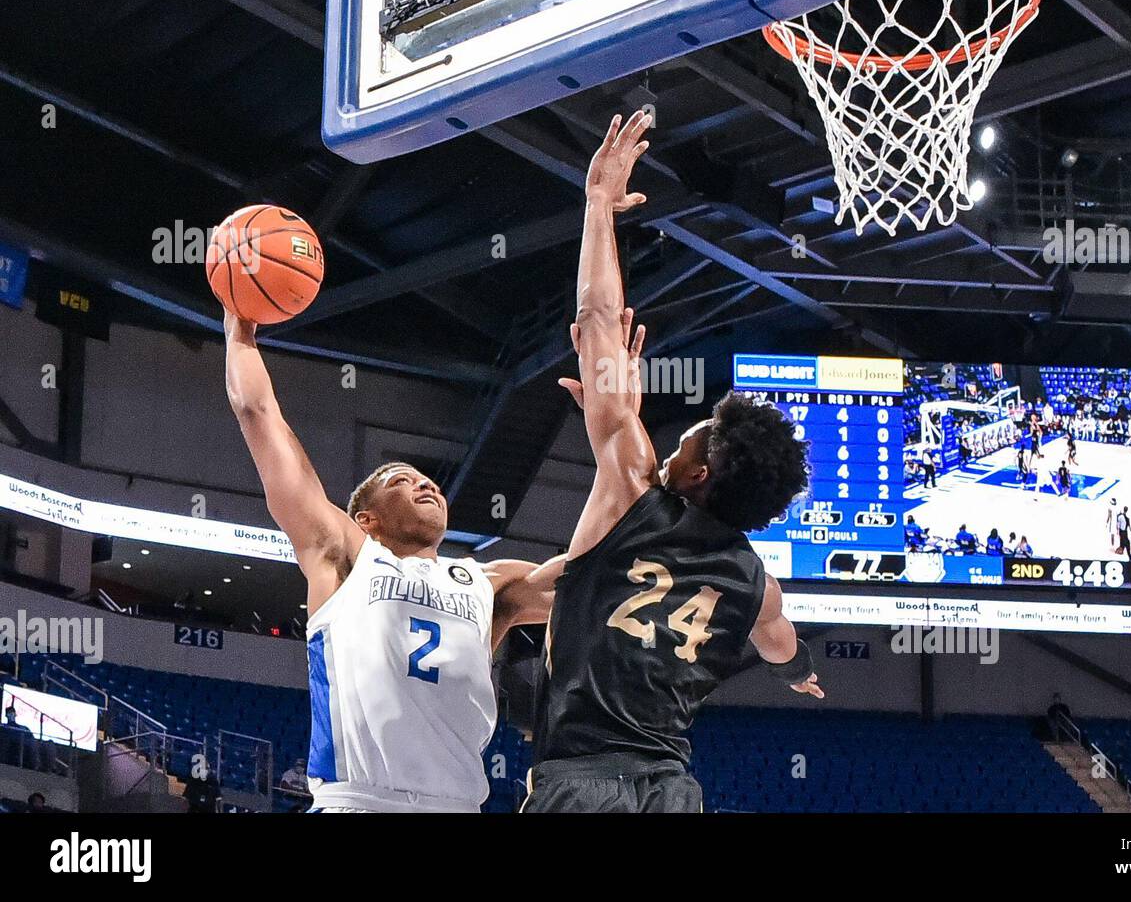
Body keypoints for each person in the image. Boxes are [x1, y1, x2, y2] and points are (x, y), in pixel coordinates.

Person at [524, 113, 823, 814]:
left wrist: (599, 206)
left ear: (696, 475)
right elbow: (783, 649)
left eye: (692, 437)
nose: (677, 438)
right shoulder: (758, 587)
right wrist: (804, 673)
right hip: (671, 792)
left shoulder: (631, 483)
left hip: (581, 782)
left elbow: (599, 316)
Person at [222, 311, 565, 813]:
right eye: (401, 481)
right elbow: (258, 412)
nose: (425, 483)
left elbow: (598, 578)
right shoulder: (344, 555)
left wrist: (615, 425)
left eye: (429, 481)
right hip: (359, 801)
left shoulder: (488, 582)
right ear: (366, 518)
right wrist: (239, 331)